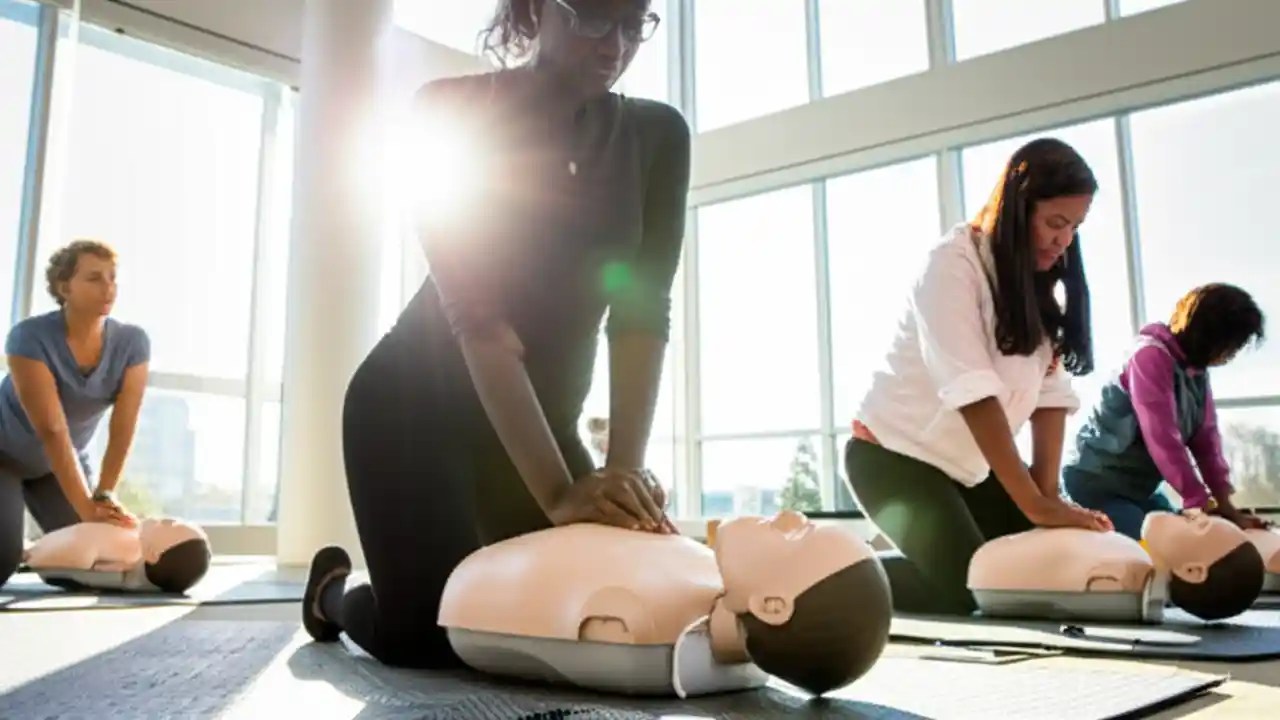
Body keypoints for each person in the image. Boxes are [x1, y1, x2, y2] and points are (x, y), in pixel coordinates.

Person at [302, 0, 691, 670]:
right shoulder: (446, 112)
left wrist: (621, 474)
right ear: (539, 8)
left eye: (636, 24)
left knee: (585, 607)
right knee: (430, 636)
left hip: (540, 421)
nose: (616, 45)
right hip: (409, 411)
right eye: (596, 18)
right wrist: (561, 496)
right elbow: (480, 323)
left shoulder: (658, 136)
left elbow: (641, 312)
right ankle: (332, 594)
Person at [843, 137, 1113, 616]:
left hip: (966, 471)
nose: (1064, 240)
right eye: (1055, 223)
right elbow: (971, 390)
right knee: (963, 590)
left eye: (1074, 227)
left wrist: (1049, 500)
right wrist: (1033, 503)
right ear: (1018, 207)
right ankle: (819, 574)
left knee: (1024, 570)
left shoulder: (1038, 287)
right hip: (893, 458)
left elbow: (1050, 396)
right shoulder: (952, 263)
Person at [1064, 283, 1269, 538]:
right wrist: (1198, 500)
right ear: (1212, 334)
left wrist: (1227, 508)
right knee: (1152, 547)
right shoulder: (1149, 357)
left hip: (1138, 490)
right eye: (1233, 345)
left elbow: (1206, 441)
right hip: (1095, 483)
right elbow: (1162, 437)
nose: (1233, 354)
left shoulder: (1196, 372)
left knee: (1183, 540)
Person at [1, 240, 149, 588]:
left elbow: (123, 425)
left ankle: (29, 553)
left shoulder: (132, 343)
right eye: (95, 278)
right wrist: (84, 508)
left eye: (113, 278)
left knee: (93, 563)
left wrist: (104, 495)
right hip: (5, 454)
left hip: (57, 466)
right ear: (64, 287)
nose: (108, 287)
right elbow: (52, 428)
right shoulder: (28, 337)